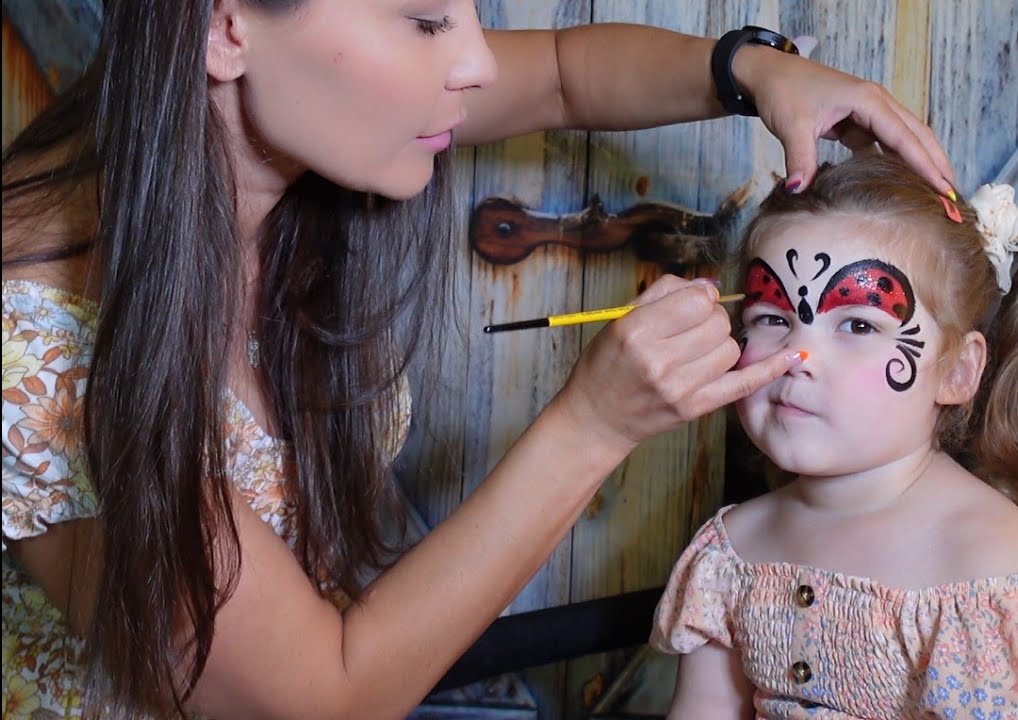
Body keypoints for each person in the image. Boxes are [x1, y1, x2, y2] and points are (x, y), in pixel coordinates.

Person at [0, 1, 958, 718]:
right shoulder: (33, 360)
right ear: (226, 27)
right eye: (423, 21)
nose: (471, 60)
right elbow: (328, 700)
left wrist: (751, 68)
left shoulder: (272, 115)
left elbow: (556, 72)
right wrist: (594, 425)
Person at [651, 148, 1018, 719]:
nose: (798, 357)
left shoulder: (985, 560)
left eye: (857, 324)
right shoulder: (734, 550)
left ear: (956, 370)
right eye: (772, 318)